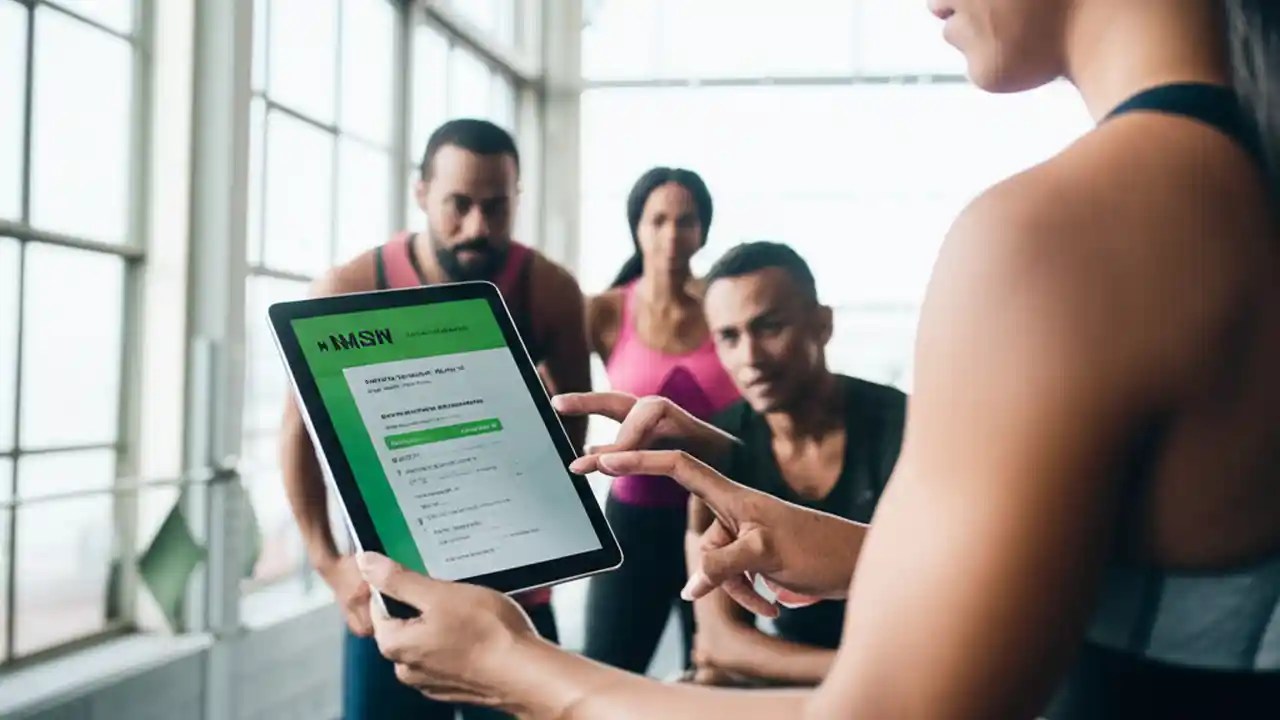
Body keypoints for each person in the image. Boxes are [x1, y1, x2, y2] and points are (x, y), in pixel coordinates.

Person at [355, 1, 1280, 718]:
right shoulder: (1234, 184)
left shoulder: (1063, 236)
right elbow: (1170, 606)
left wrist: (514, 667)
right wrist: (879, 557)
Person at [278, 118, 591, 720]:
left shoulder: (548, 290)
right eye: (459, 205)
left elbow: (574, 416)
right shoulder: (347, 287)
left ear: (517, 200)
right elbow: (298, 434)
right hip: (393, 587)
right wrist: (330, 566)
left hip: (514, 586)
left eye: (497, 208)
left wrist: (550, 528)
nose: (478, 226)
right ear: (422, 193)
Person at [682, 241, 906, 688]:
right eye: (729, 337)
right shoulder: (718, 445)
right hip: (840, 672)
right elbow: (719, 641)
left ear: (822, 324)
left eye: (769, 328)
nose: (750, 358)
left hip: (911, 664)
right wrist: (854, 676)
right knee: (701, 681)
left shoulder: (906, 428)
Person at [580, 167, 740, 674]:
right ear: (637, 227)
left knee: (716, 677)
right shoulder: (603, 311)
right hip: (633, 521)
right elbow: (546, 387)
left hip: (719, 518)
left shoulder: (725, 309)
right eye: (659, 220)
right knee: (608, 671)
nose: (672, 235)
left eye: (687, 221)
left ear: (704, 231)